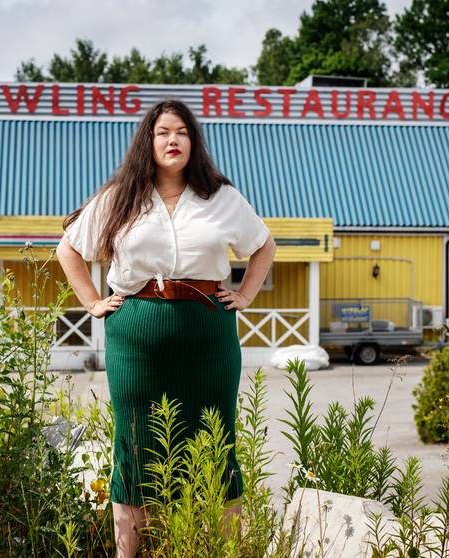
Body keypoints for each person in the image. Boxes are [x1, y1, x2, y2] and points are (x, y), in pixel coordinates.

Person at [55, 99, 276, 557]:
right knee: (134, 445)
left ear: (193, 142)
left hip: (208, 337)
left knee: (216, 444)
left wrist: (246, 295)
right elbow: (68, 249)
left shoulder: (221, 197)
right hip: (136, 336)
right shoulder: (119, 197)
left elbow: (264, 245)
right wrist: (92, 302)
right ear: (148, 141)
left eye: (181, 132)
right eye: (163, 132)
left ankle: (220, 551)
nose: (173, 140)